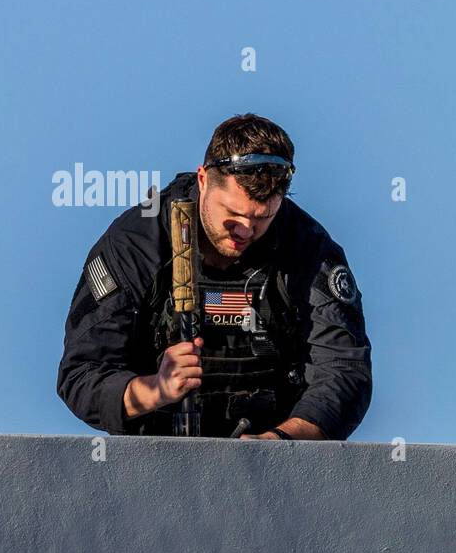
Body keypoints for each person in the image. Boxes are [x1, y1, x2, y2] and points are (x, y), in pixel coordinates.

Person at [57, 113, 371, 440]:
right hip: (156, 462)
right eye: (232, 214)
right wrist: (154, 390)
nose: (245, 230)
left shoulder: (308, 248)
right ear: (203, 179)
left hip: (273, 463)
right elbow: (79, 375)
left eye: (263, 218)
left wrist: (282, 442)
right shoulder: (135, 244)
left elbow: (345, 371)